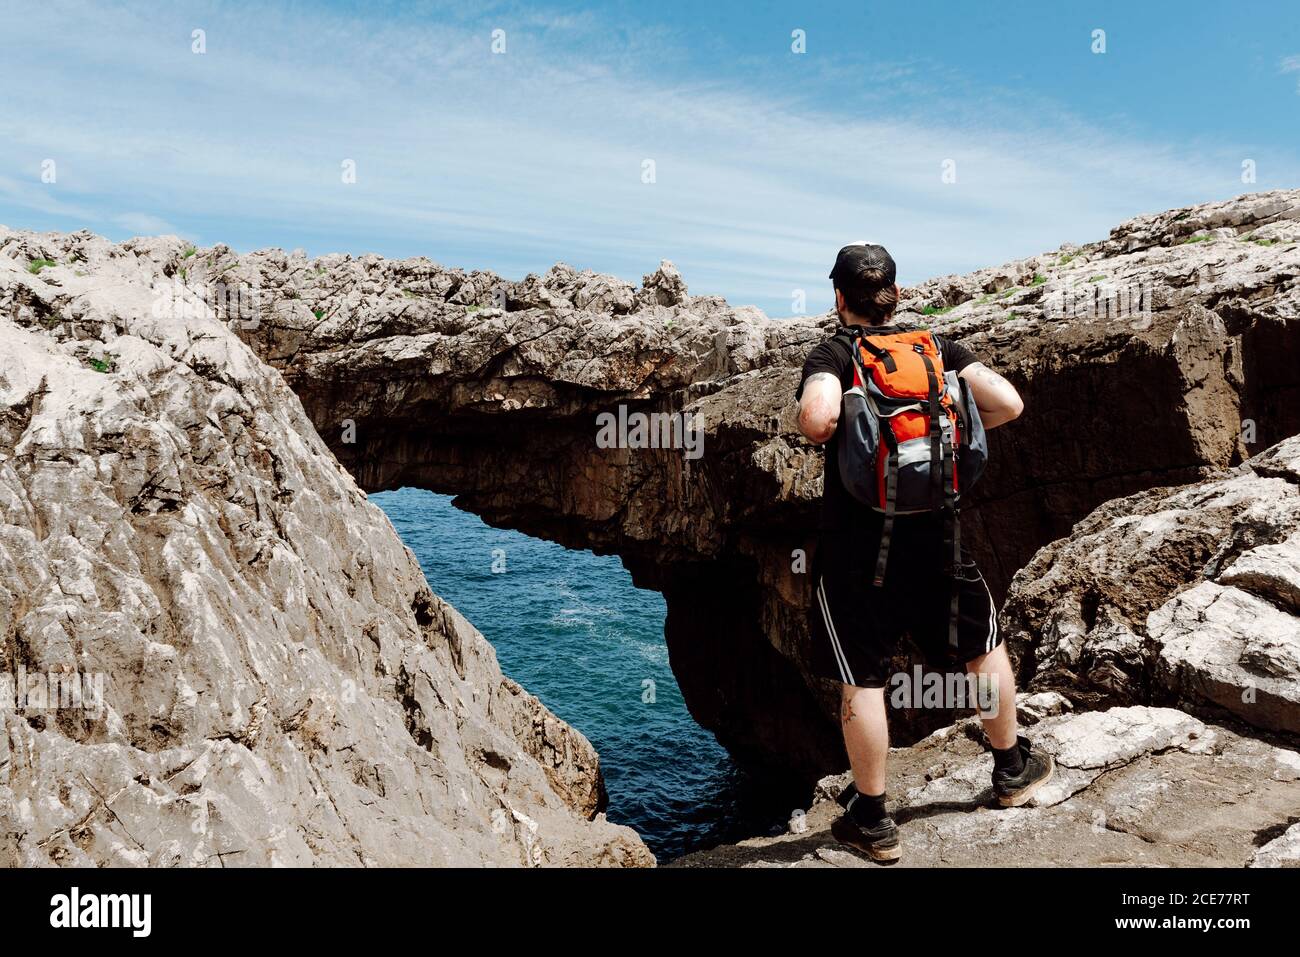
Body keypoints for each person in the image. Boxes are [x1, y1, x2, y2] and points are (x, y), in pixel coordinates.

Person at [795, 242, 1053, 862]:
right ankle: (1011, 768)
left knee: (863, 678)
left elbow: (815, 420)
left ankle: (875, 821)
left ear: (839, 299)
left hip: (859, 547)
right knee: (980, 646)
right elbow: (1010, 404)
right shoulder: (937, 349)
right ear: (896, 296)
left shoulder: (835, 351)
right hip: (941, 534)